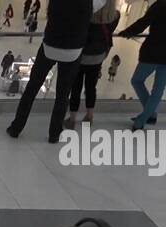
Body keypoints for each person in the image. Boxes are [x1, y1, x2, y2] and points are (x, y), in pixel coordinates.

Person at [7, 0, 101, 144]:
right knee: (62, 95)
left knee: (31, 89)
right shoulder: (89, 3)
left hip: (50, 46)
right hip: (73, 51)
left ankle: (16, 128)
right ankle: (54, 134)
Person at [65, 2, 120, 129]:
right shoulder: (113, 18)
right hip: (97, 57)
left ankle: (72, 119)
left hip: (80, 57)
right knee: (91, 88)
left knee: (76, 88)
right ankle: (89, 116)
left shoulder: (84, 16)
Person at [120, 0, 165, 131]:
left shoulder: (160, 5)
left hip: (153, 53)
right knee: (158, 90)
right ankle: (146, 116)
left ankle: (147, 115)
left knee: (137, 80)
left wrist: (127, 32)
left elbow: (143, 23)